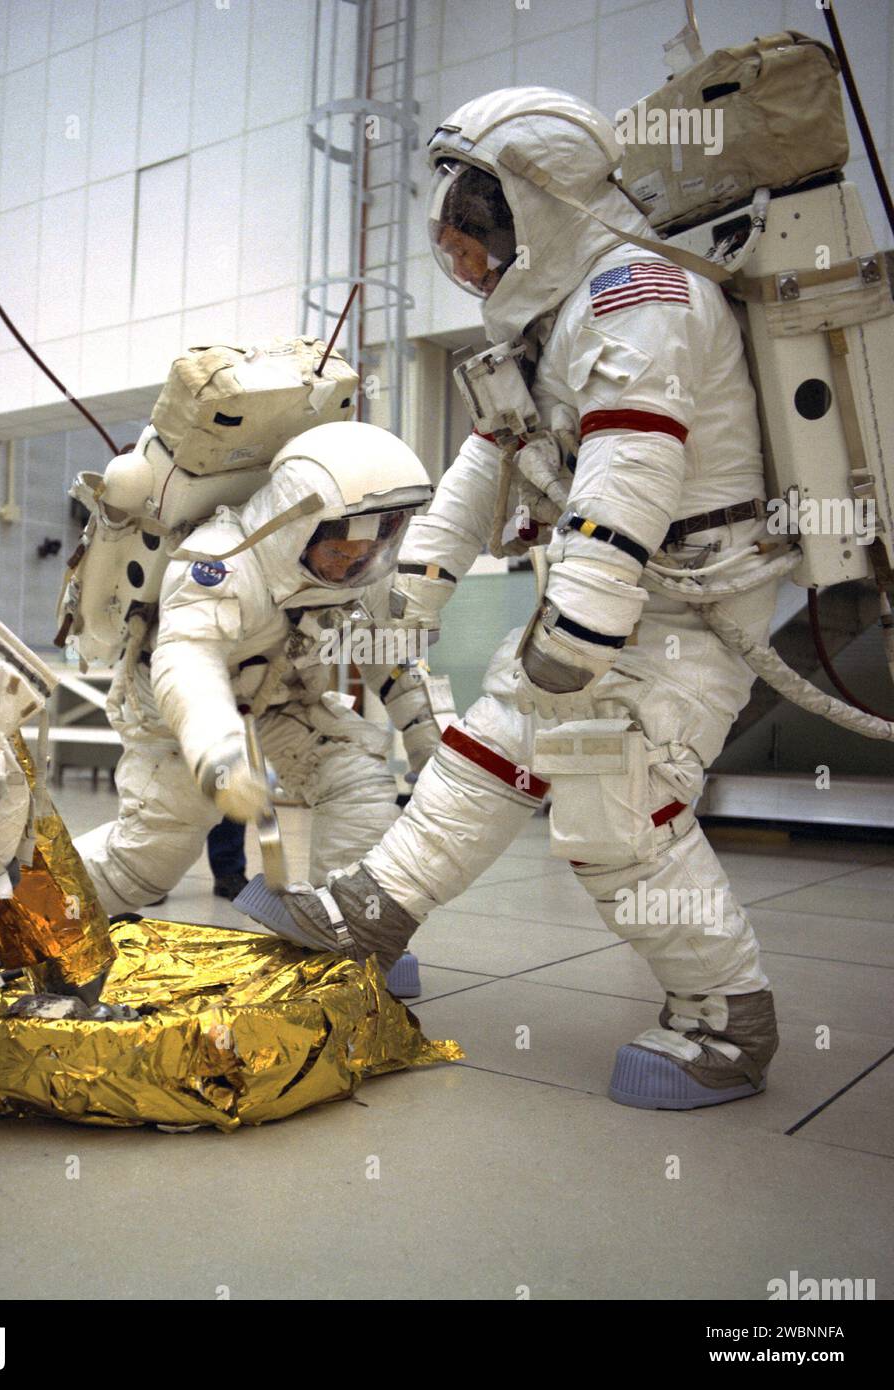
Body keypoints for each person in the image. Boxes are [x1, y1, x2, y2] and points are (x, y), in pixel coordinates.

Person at [246, 88, 782, 1111]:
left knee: (608, 805)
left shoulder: (640, 296)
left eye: (473, 227)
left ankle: (725, 1013)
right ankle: (375, 907)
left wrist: (579, 619)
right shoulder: (550, 320)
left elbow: (629, 464)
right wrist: (408, 599)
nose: (461, 251)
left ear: (536, 208)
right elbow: (483, 469)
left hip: (691, 600)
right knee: (493, 739)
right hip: (634, 592)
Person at [74, 420, 450, 946]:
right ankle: (25, 914)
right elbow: (189, 659)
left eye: (369, 548)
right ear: (299, 524)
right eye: (338, 550)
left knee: (359, 788)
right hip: (184, 719)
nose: (353, 562)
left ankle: (342, 936)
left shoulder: (364, 571)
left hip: (282, 701)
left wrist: (434, 752)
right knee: (147, 863)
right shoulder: (220, 561)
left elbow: (393, 658)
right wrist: (220, 755)